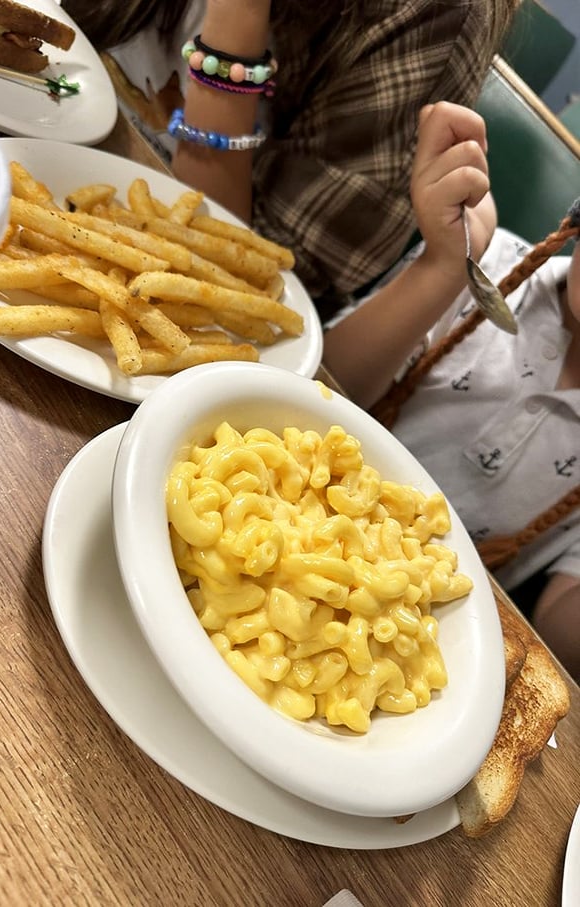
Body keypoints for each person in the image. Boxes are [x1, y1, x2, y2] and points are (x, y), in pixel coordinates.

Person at [322, 100, 580, 680]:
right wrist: (442, 267)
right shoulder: (490, 265)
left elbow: (557, 628)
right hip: (304, 514)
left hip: (423, 645)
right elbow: (328, 378)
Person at [62, 0, 518, 314]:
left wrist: (237, 17)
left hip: (144, 312)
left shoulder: (438, 14)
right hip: (36, 157)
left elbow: (255, 276)